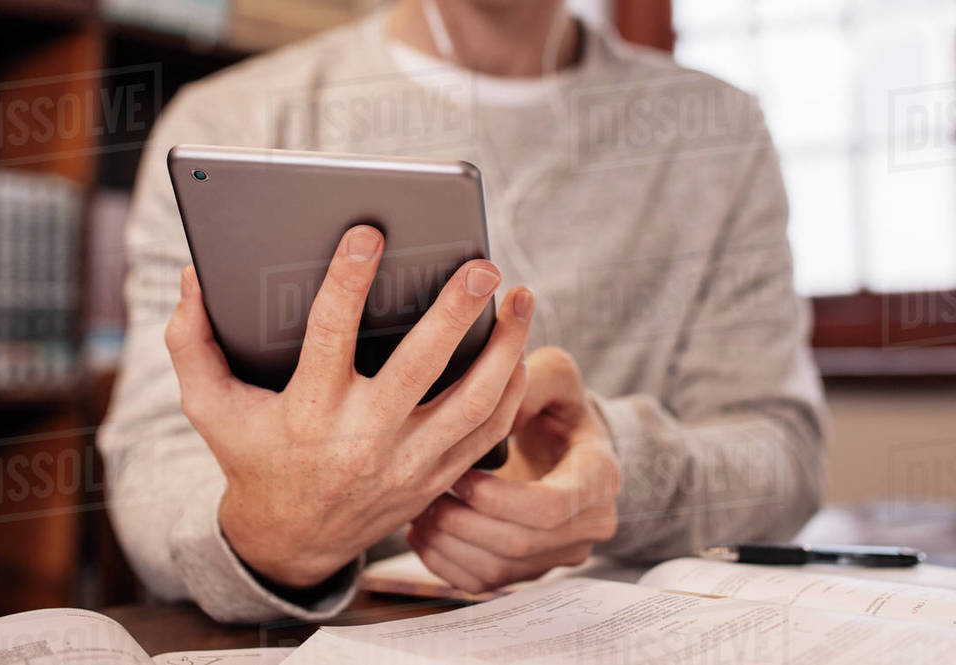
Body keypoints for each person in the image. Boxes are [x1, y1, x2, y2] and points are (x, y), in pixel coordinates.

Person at [98, 0, 827, 623]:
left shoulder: (718, 133)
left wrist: (621, 471)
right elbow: (150, 471)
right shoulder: (231, 120)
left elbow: (782, 456)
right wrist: (278, 536)